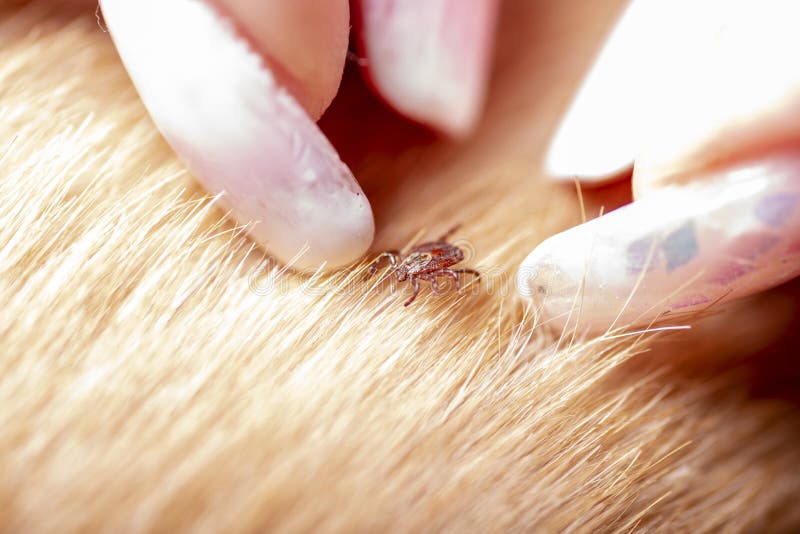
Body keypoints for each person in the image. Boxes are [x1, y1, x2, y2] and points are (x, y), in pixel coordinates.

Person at [95, 0, 800, 329]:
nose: (415, 276)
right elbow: (431, 262)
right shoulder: (422, 266)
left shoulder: (428, 269)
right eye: (412, 274)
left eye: (415, 273)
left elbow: (438, 264)